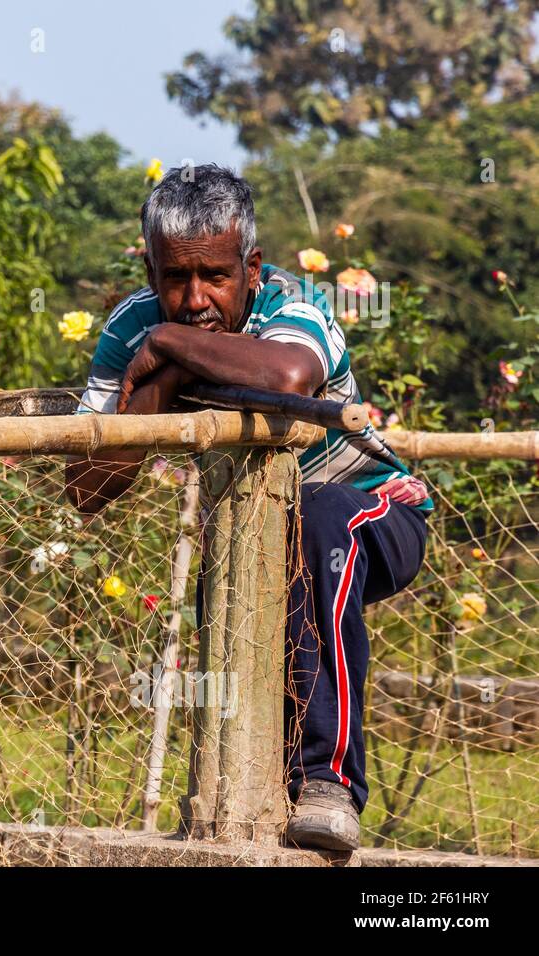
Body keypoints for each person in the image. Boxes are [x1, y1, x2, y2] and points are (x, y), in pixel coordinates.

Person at [64, 164, 431, 851]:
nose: (195, 297)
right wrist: (159, 382)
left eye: (215, 277)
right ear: (149, 269)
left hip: (374, 514)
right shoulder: (129, 328)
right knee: (233, 599)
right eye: (175, 278)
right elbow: (88, 485)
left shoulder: (293, 308)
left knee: (318, 515)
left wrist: (171, 348)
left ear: (252, 265)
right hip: (253, 534)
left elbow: (288, 375)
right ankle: (254, 798)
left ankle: (330, 784)